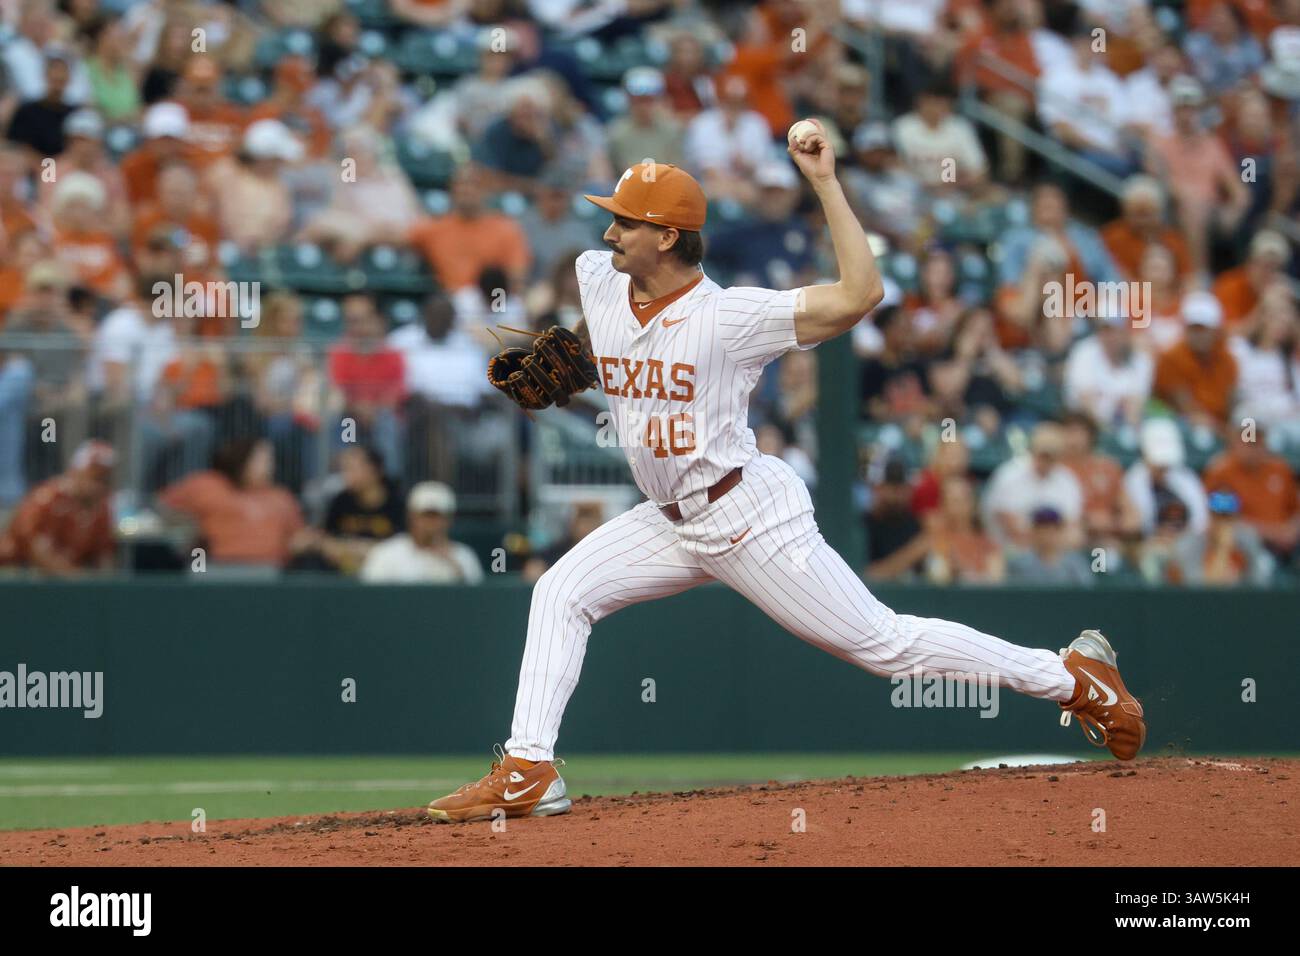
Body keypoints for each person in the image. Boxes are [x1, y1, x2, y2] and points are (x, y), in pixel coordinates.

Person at [425, 132, 1146, 824]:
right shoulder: (596, 279)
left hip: (745, 513)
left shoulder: (733, 316)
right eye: (610, 219)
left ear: (669, 238)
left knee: (883, 646)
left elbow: (861, 294)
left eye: (626, 223)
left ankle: (1071, 676)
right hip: (666, 519)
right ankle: (531, 768)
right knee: (560, 592)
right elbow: (606, 351)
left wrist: (826, 182)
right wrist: (576, 371)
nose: (610, 233)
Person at [157, 437, 306, 571]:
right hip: (211, 566)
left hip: (269, 571)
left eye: (270, 460)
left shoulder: (280, 497)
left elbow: (297, 537)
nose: (269, 467)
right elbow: (161, 506)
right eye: (262, 459)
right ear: (241, 457)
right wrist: (190, 527)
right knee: (193, 558)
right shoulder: (206, 485)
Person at [0, 439, 115, 574]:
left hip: (65, 584)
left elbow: (104, 557)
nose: (98, 486)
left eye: (105, 480)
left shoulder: (102, 507)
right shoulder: (46, 498)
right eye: (95, 477)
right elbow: (35, 551)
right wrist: (77, 579)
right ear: (75, 471)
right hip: (17, 575)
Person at [359, 481, 483, 584]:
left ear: (449, 520)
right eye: (426, 515)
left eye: (437, 516)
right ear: (411, 517)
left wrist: (456, 569)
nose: (431, 523)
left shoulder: (464, 556)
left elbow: (474, 603)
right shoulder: (386, 553)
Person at [1007, 507, 1095, 586]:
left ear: (1061, 532)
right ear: (1033, 532)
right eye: (1042, 530)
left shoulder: (1076, 563)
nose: (1048, 535)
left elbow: (1087, 595)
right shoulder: (1020, 564)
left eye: (1053, 530)